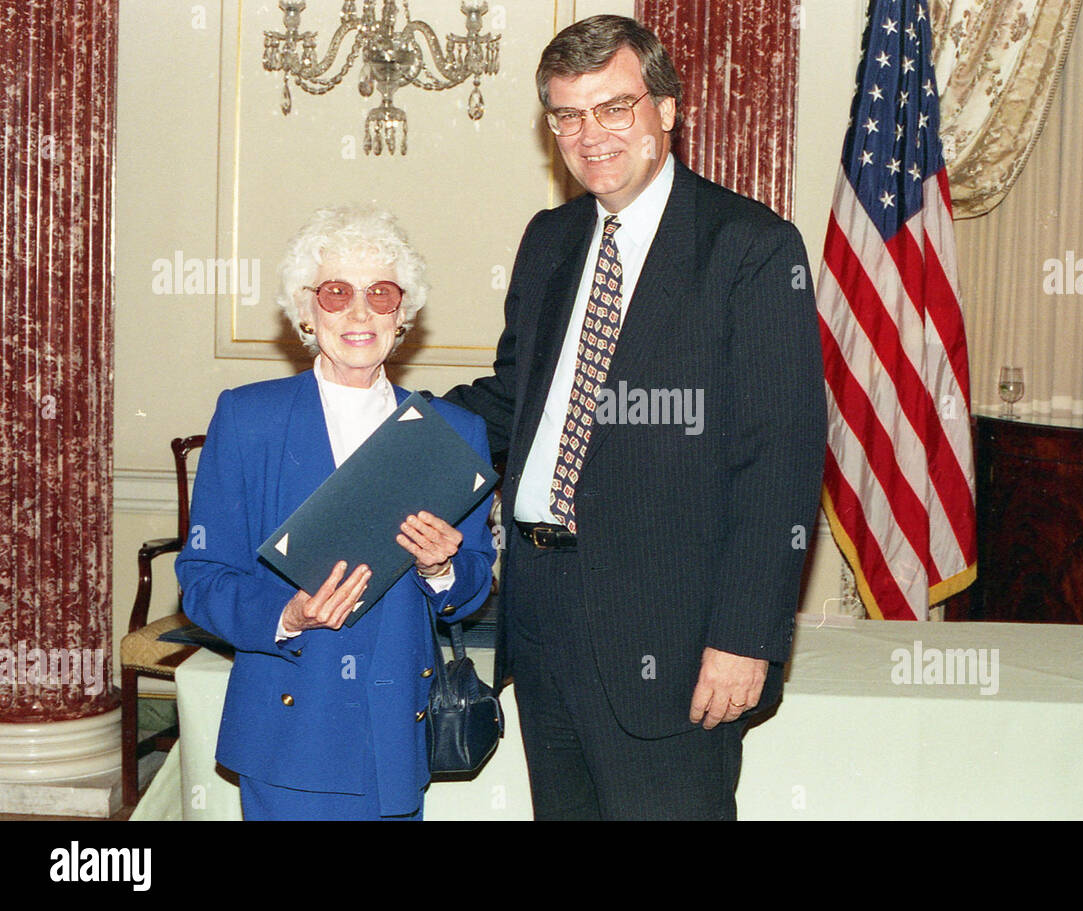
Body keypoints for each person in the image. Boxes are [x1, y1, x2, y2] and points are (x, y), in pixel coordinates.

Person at [443, 15, 826, 820]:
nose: (590, 135)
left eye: (615, 108)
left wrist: (746, 636)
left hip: (676, 633)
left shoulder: (749, 248)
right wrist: (384, 423)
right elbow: (512, 403)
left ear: (668, 109)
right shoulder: (549, 240)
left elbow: (780, 461)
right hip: (542, 613)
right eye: (567, 115)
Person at [176, 206, 495, 820]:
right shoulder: (249, 419)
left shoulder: (453, 432)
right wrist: (285, 614)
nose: (359, 313)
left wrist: (442, 570)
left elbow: (474, 584)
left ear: (403, 314)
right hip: (291, 725)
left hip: (395, 724)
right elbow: (202, 579)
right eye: (336, 292)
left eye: (380, 294)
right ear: (304, 310)